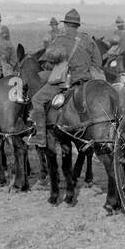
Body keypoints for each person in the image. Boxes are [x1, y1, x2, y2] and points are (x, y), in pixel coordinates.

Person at [28, 9, 101, 146]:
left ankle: (41, 137)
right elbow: (98, 63)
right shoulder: (88, 39)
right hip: (86, 80)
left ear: (66, 24)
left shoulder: (59, 40)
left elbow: (49, 63)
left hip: (65, 82)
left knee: (36, 100)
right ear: (78, 25)